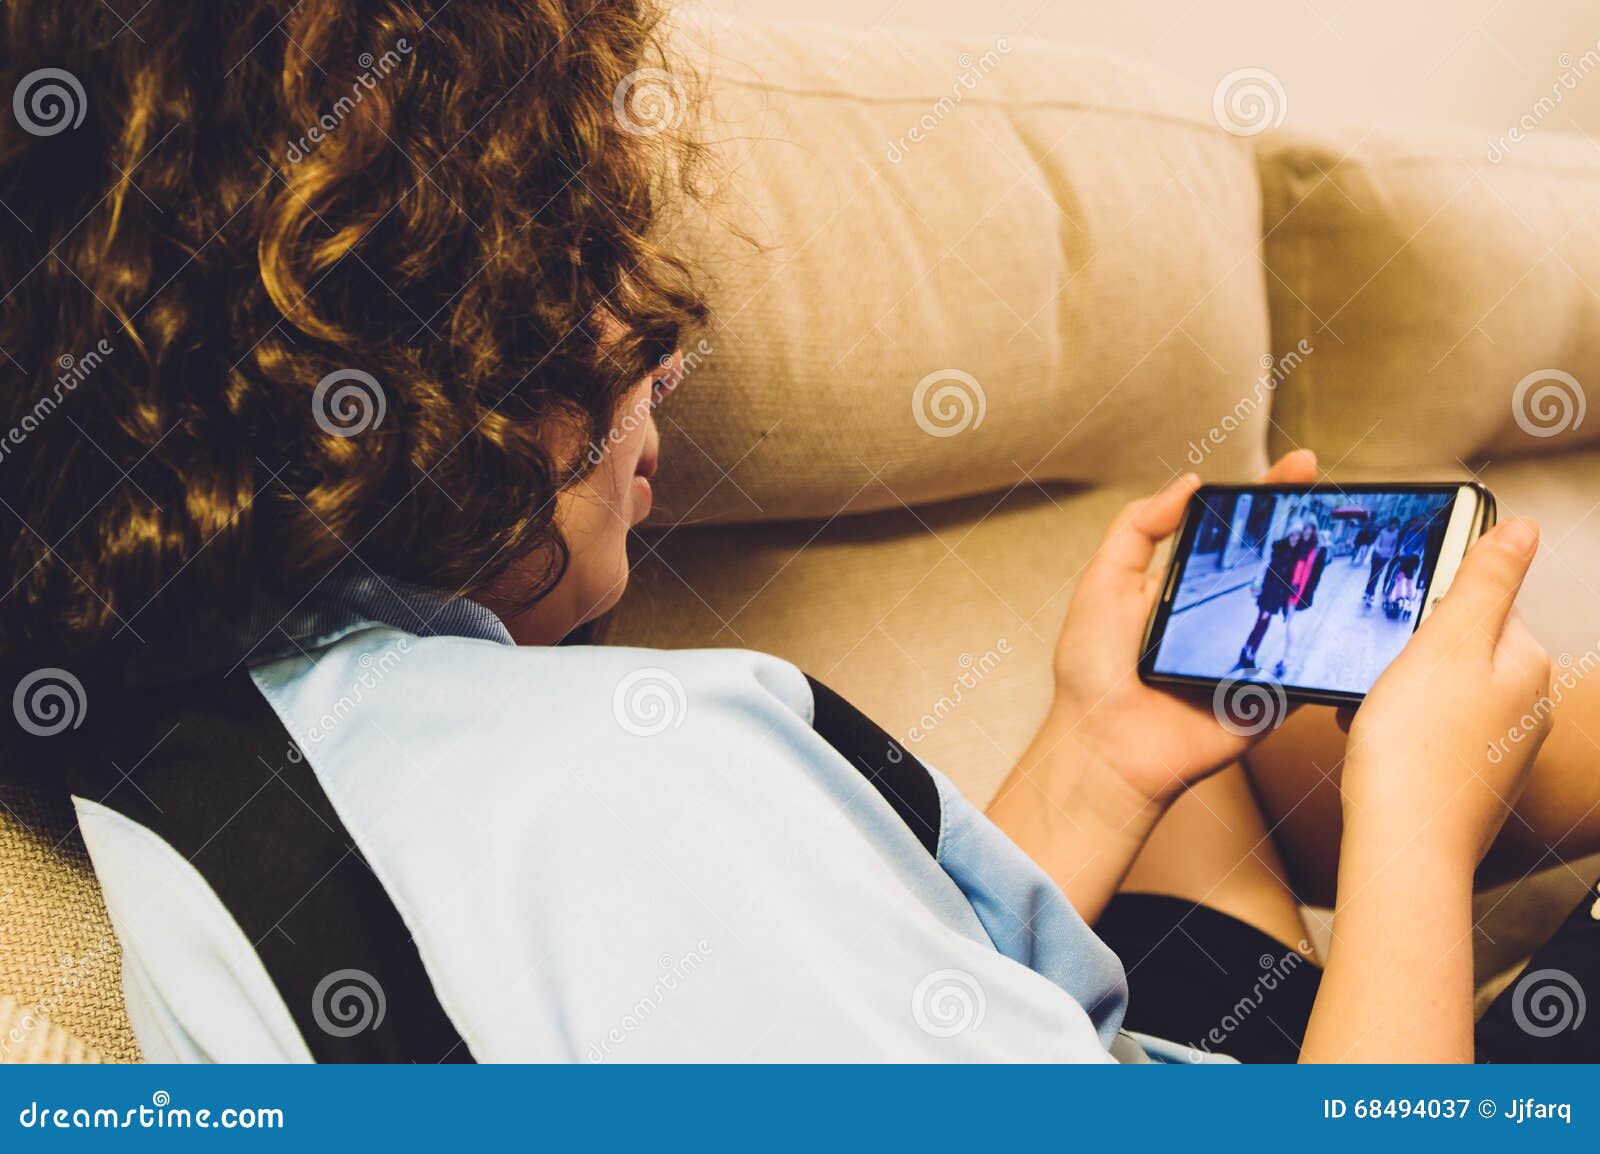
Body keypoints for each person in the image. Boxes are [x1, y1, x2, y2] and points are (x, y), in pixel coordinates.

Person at [1, 0, 1594, 1065]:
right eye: (594, 257)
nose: (668, 346)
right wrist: (1411, 822)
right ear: (429, 342)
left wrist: (1099, 757)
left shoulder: (202, 754)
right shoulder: (629, 789)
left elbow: (850, 996)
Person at [1234, 520, 1321, 678]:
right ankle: (1248, 658)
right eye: (1293, 534)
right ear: (1289, 534)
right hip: (1269, 596)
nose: (1295, 538)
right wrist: (1268, 604)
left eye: (1298, 536)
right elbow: (1270, 576)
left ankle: (1246, 653)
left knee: (1261, 626)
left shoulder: (1293, 552)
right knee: (1261, 626)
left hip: (1274, 598)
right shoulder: (1281, 550)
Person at [1363, 517, 1401, 604]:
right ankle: (1367, 592)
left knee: (1377, 575)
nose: (1393, 526)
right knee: (1372, 574)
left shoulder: (1396, 534)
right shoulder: (1383, 532)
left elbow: (1394, 547)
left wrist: (1389, 555)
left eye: (1395, 525)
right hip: (1377, 555)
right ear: (1390, 524)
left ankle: (1371, 593)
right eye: (1392, 524)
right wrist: (1379, 551)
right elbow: (1377, 542)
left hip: (1385, 558)